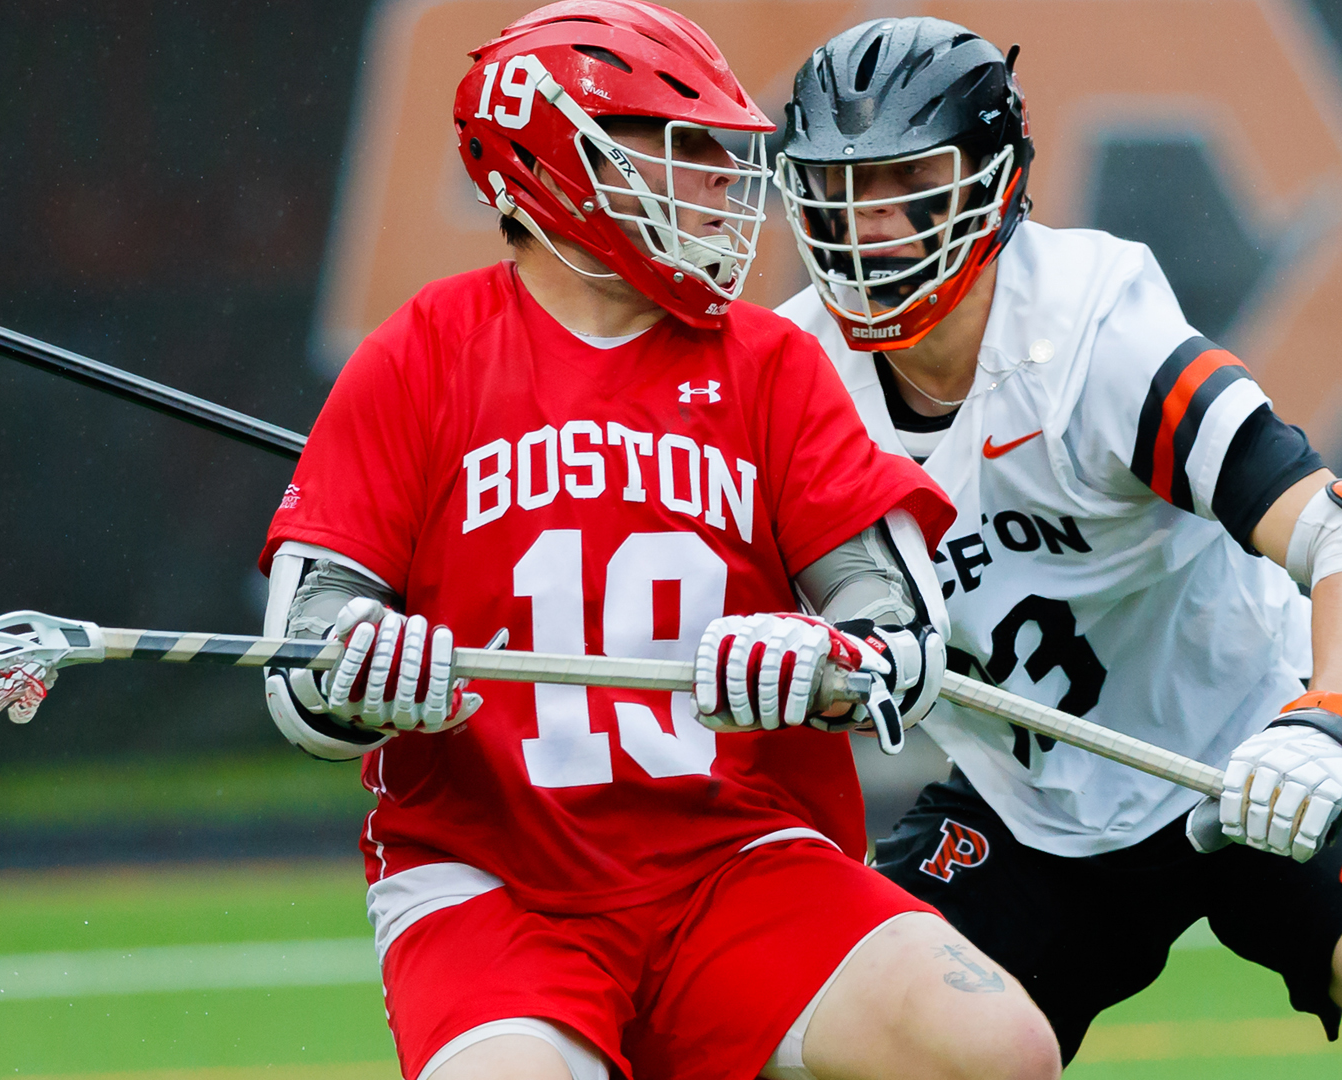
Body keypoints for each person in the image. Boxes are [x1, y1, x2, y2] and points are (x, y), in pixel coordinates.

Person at [255, 4, 1062, 1079]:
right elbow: (302, 658)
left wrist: (827, 659)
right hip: (495, 881)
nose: (727, 186)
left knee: (997, 1048)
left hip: (735, 857)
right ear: (550, 163)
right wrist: (366, 664)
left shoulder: (769, 364)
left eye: (730, 156)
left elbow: (902, 631)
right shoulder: (420, 355)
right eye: (685, 152)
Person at [771, 16, 1342, 1076]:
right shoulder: (787, 371)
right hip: (1020, 808)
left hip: (1247, 754)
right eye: (840, 191)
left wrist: (1331, 725)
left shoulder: (1088, 327)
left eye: (905, 186)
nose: (867, 231)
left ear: (991, 183)